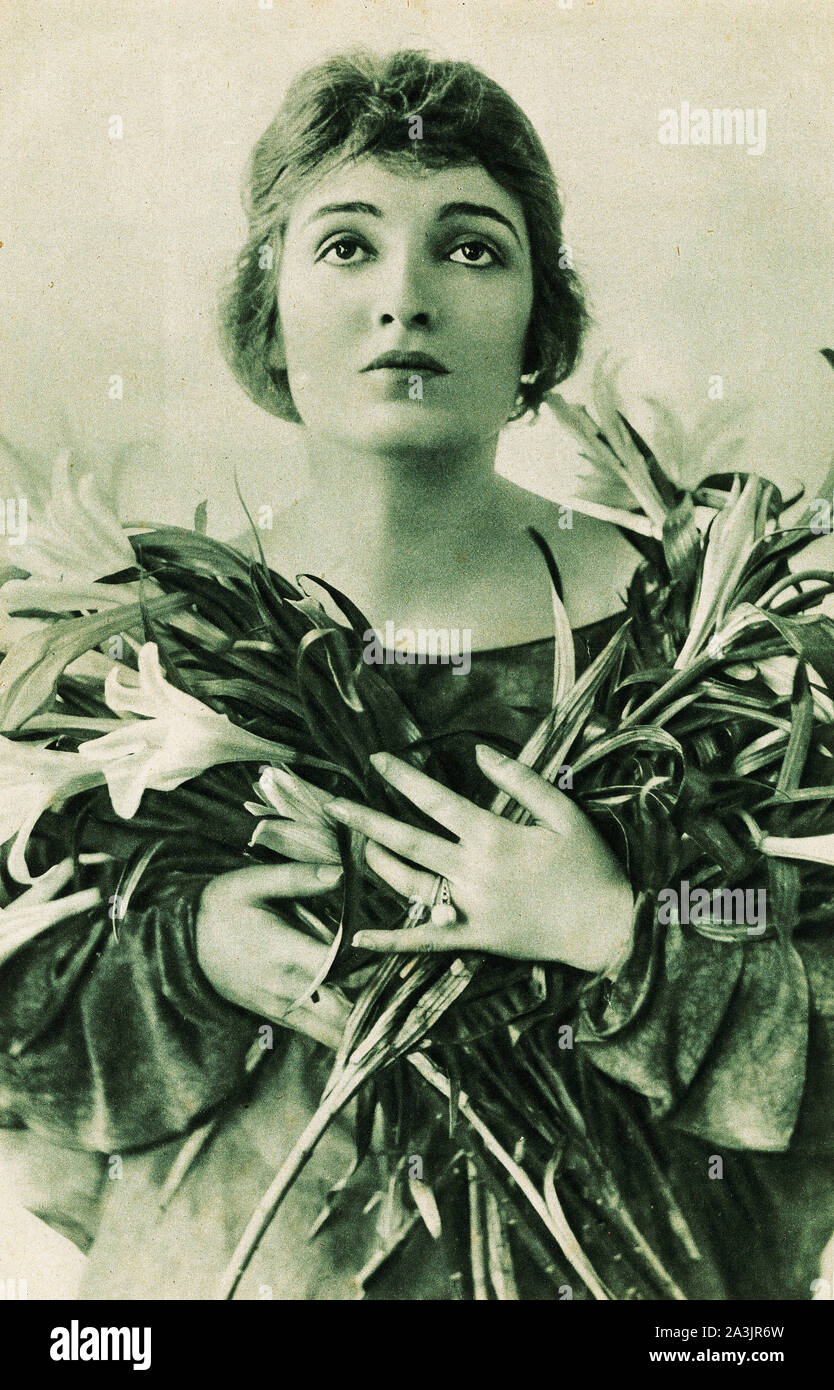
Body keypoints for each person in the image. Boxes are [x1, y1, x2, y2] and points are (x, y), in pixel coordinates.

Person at [1, 50, 831, 1301]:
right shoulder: (146, 643)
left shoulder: (699, 639)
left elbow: (794, 967)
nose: (405, 298)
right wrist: (194, 953)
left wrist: (617, 927)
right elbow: (31, 1014)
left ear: (539, 327)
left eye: (472, 247)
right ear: (266, 307)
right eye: (345, 247)